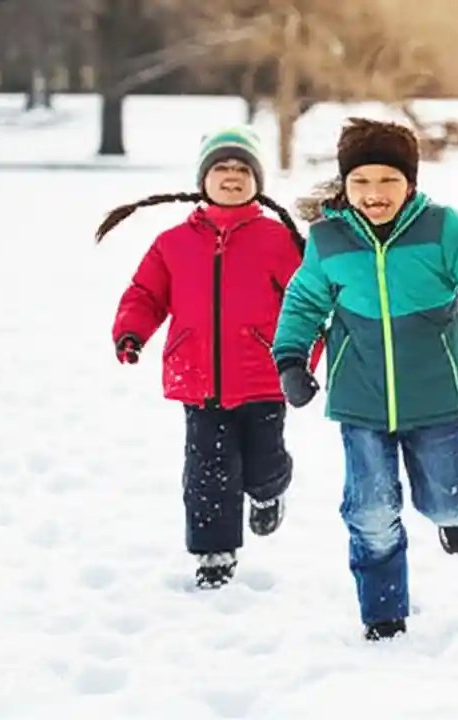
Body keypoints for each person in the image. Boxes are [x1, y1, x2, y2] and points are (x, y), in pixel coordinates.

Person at [272, 118, 458, 641]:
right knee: (370, 508)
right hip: (359, 397)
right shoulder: (327, 241)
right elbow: (304, 302)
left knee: (441, 499)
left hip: (434, 394)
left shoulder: (442, 228)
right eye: (362, 182)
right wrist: (290, 359)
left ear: (410, 183)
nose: (375, 194)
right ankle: (384, 612)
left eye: (388, 181)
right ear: (345, 186)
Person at [102, 125, 307, 589]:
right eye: (221, 168)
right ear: (203, 179)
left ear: (257, 180)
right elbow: (145, 294)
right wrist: (131, 332)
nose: (231, 176)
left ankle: (270, 491)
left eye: (242, 169)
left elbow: (306, 304)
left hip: (263, 376)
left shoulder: (279, 241)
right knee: (207, 471)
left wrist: (305, 357)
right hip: (198, 378)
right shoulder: (174, 243)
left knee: (262, 463)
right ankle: (214, 552)